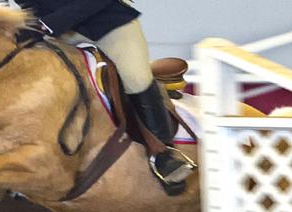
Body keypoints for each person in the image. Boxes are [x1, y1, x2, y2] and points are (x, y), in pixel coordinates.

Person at [16, 0, 194, 186]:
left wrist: (46, 25)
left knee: (136, 79)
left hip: (107, 24)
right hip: (59, 33)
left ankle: (163, 152)